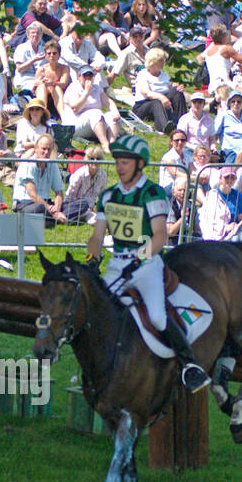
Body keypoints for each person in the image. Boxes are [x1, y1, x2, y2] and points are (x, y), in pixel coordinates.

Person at [83, 134, 207, 390]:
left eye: (125, 162)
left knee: (159, 319)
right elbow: (97, 236)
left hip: (147, 265)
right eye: (117, 161)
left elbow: (160, 236)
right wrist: (91, 259)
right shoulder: (108, 196)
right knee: (95, 311)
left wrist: (138, 260)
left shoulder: (152, 193)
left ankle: (189, 365)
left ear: (140, 164)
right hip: (118, 263)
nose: (119, 167)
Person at [60, 66, 121, 148]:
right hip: (73, 124)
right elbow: (75, 108)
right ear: (79, 77)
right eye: (85, 75)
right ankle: (105, 144)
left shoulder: (96, 88)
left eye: (90, 75)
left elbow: (108, 102)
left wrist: (115, 112)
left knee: (112, 116)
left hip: (93, 123)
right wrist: (86, 92)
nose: (88, 78)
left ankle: (112, 144)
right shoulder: (73, 87)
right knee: (95, 113)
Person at [12, 133, 66, 225]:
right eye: (43, 149)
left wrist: (57, 207)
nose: (46, 152)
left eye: (49, 149)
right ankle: (51, 219)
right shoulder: (27, 164)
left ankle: (46, 220)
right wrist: (52, 211)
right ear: (36, 149)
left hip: (46, 202)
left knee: (80, 204)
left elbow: (59, 192)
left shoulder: (52, 164)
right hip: (26, 203)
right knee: (39, 208)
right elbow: (32, 195)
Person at [133, 48, 187, 134]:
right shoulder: (143, 74)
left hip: (162, 104)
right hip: (143, 106)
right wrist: (161, 97)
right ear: (153, 61)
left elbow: (170, 90)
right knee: (156, 102)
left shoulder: (164, 75)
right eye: (161, 61)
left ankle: (183, 122)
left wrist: (176, 88)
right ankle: (164, 127)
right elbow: (146, 93)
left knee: (177, 92)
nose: (163, 63)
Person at [200, 166, 242, 241]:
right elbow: (209, 220)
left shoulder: (239, 196)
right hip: (214, 233)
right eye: (227, 177)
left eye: (232, 177)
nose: (230, 180)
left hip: (233, 232)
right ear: (220, 178)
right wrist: (225, 228)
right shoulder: (212, 196)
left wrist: (236, 226)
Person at [62, 143, 107, 223]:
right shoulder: (80, 174)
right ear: (87, 159)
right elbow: (69, 196)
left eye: (98, 159)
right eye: (92, 158)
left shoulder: (103, 175)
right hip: (75, 208)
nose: (95, 161)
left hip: (89, 210)